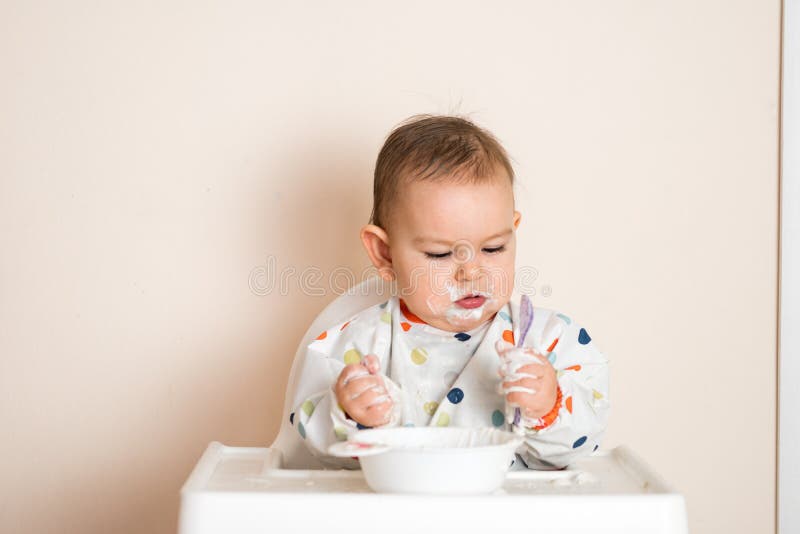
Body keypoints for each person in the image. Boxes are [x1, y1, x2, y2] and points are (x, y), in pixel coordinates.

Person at [288, 115, 609, 469]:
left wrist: (549, 407)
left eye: (494, 248)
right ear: (385, 253)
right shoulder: (357, 345)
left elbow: (586, 443)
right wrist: (356, 416)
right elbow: (312, 441)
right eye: (439, 254)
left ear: (513, 231)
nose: (471, 271)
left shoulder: (548, 340)